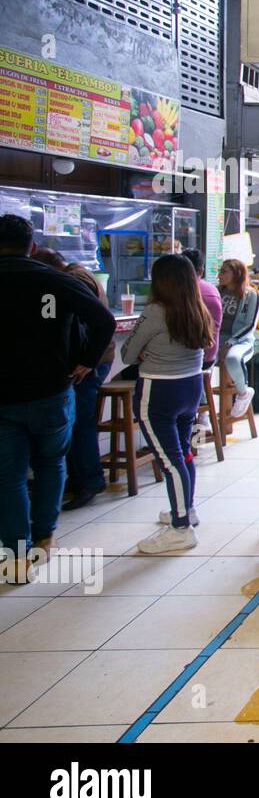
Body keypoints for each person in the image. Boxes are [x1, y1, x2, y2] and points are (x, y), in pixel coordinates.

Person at [0, 216, 115, 582]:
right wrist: (87, 361)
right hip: (52, 390)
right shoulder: (54, 279)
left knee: (9, 477)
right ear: (32, 246)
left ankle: (15, 560)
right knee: (50, 464)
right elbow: (104, 321)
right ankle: (44, 540)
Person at [120, 254, 214, 554]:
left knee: (169, 460)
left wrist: (149, 351)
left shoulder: (155, 312)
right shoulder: (199, 309)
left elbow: (128, 354)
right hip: (191, 388)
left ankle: (180, 528)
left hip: (158, 391)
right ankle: (187, 508)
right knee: (183, 453)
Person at [26, 252, 118, 512]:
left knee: (79, 422)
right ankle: (80, 478)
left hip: (90, 363)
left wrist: (87, 360)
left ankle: (88, 480)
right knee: (77, 421)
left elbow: (92, 321)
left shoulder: (72, 280)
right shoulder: (77, 275)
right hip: (92, 360)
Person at [181, 249, 223, 436]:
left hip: (187, 361)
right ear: (201, 270)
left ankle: (186, 429)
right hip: (208, 358)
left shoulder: (181, 291)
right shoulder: (211, 290)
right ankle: (197, 420)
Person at [217, 259, 259, 420]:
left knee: (233, 358)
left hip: (242, 340)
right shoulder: (217, 292)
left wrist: (232, 341)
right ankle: (203, 413)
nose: (219, 275)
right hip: (217, 338)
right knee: (197, 362)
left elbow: (250, 324)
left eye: (224, 271)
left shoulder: (251, 295)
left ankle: (243, 392)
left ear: (236, 274)